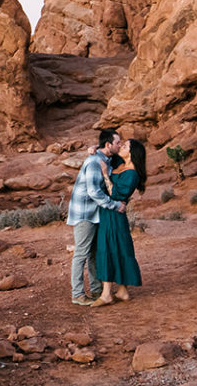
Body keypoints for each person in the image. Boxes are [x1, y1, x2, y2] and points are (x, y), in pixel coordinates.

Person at [66, 128, 126, 305]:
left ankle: (97, 290)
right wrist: (115, 206)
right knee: (81, 253)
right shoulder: (94, 163)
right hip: (85, 213)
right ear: (108, 145)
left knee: (93, 252)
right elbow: (93, 191)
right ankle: (77, 294)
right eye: (117, 142)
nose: (120, 145)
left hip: (94, 213)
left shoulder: (106, 159)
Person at [92, 137, 147, 304]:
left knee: (109, 247)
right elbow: (106, 152)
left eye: (125, 146)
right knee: (116, 247)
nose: (121, 147)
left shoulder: (132, 173)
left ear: (132, 153)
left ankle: (107, 294)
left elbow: (116, 195)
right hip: (108, 212)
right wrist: (94, 148)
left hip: (114, 215)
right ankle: (122, 291)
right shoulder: (120, 164)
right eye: (121, 144)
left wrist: (104, 175)